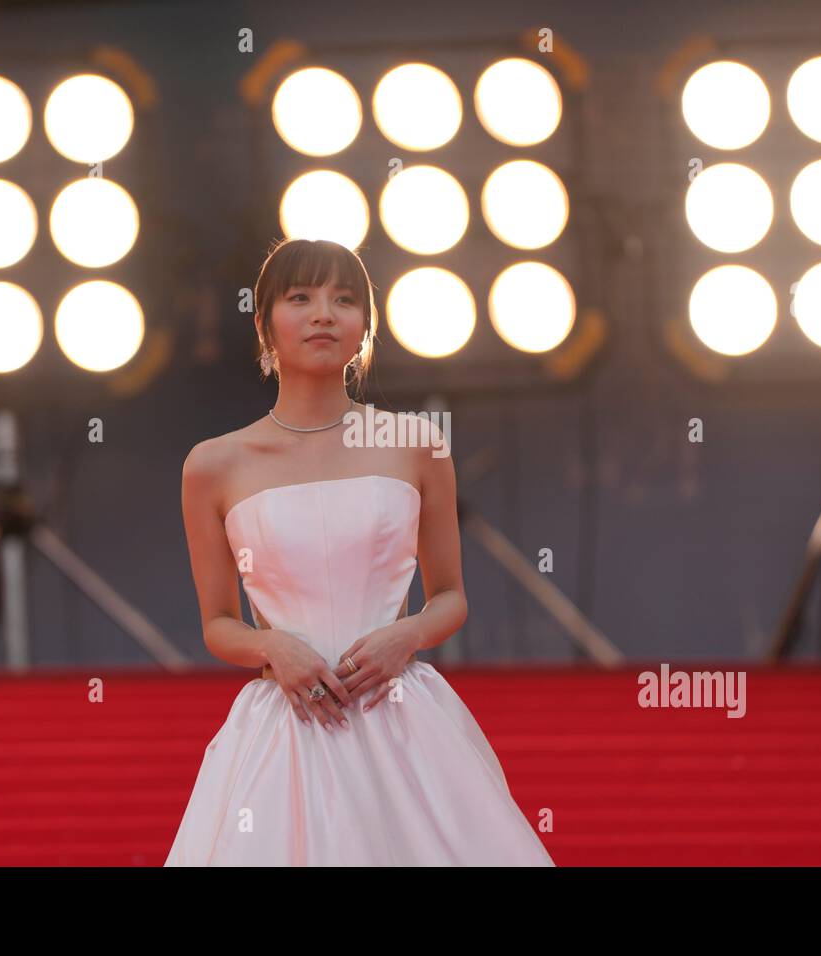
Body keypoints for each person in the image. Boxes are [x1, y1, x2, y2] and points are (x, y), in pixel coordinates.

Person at [164, 237, 554, 866]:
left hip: (398, 710)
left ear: (364, 327)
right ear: (264, 325)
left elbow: (449, 595)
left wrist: (408, 635)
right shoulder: (213, 464)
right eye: (301, 298)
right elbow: (216, 623)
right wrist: (273, 647)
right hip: (285, 724)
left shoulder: (415, 445)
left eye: (344, 300)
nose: (324, 313)